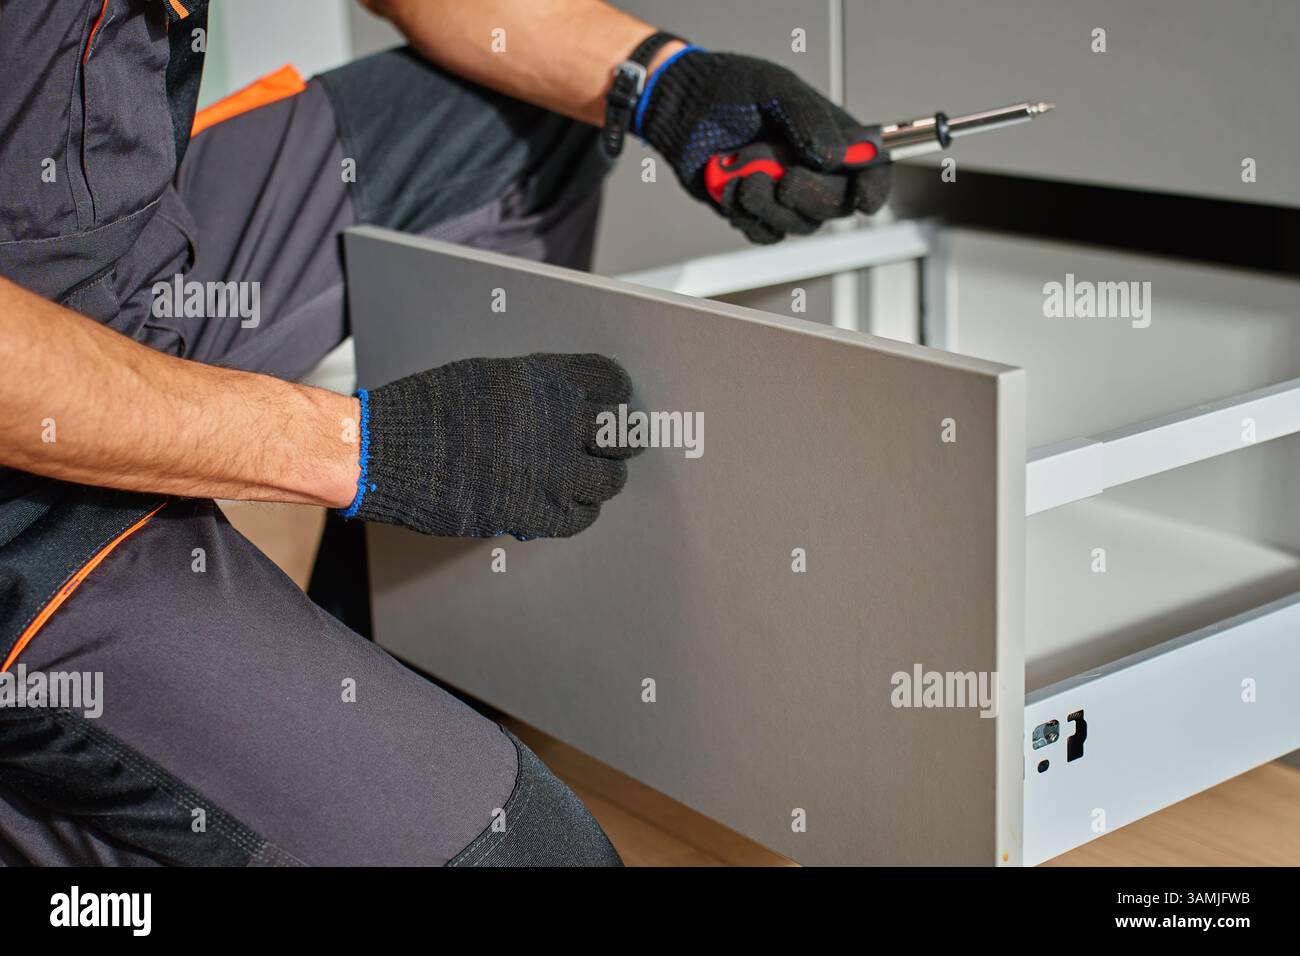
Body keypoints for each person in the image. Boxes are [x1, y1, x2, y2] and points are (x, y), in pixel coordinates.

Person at [0, 0, 891, 866]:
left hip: (109, 249)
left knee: (522, 123)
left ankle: (382, 650)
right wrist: (371, 450)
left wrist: (663, 78)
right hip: (24, 513)